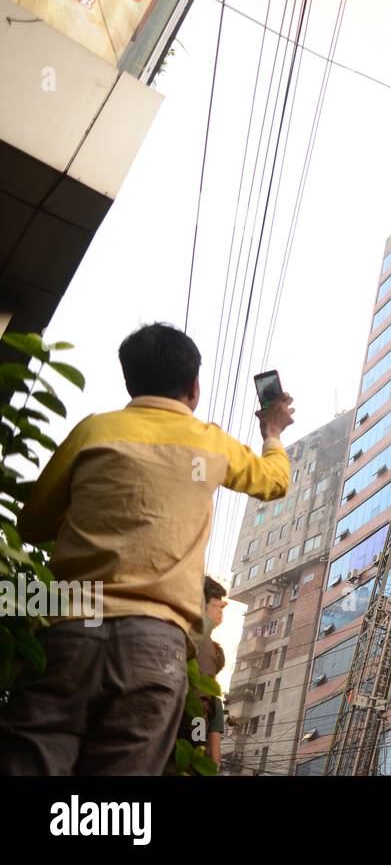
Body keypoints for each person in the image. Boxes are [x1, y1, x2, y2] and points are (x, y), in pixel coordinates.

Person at [0, 323, 293, 775]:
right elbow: (275, 482)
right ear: (194, 388)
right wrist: (271, 431)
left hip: (67, 631)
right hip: (154, 646)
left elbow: (33, 524)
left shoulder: (93, 431)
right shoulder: (210, 442)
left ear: (129, 381)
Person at [193, 576, 229, 764]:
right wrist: (194, 746)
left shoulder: (200, 640)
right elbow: (199, 702)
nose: (221, 611)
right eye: (217, 605)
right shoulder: (200, 642)